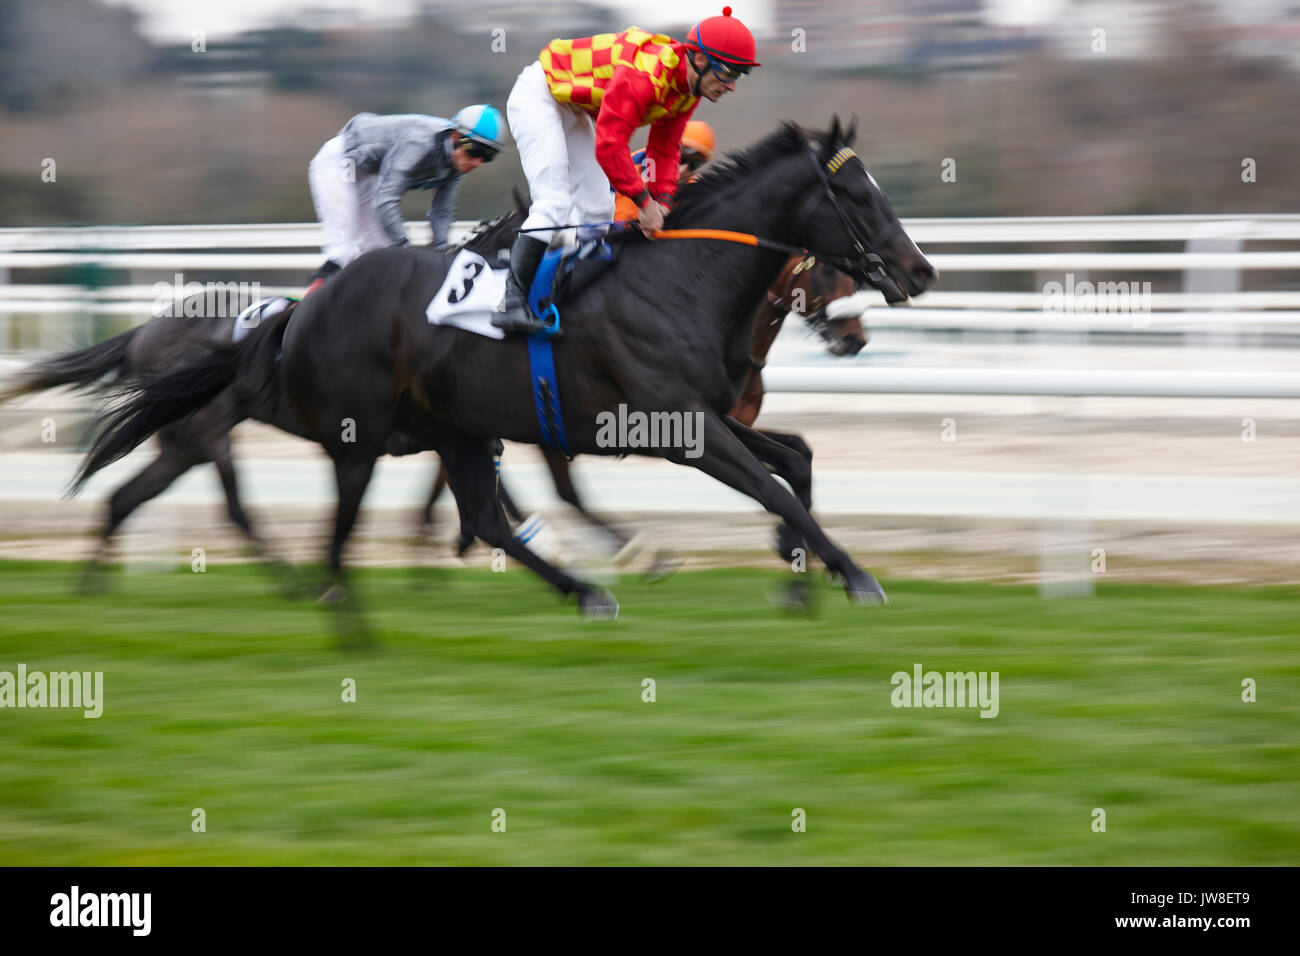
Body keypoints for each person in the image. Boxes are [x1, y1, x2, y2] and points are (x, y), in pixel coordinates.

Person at [495, 7, 759, 333]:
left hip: (573, 109)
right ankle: (510, 303)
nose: (732, 86)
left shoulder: (686, 91)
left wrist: (662, 200)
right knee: (555, 203)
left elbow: (665, 148)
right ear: (701, 61)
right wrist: (644, 204)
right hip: (540, 95)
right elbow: (610, 146)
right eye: (730, 73)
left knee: (598, 210)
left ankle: (563, 300)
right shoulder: (645, 77)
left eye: (739, 76)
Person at [304, 105, 506, 295]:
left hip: (368, 172)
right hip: (340, 161)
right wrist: (407, 253)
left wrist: (442, 256)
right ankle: (307, 304)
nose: (477, 162)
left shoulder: (457, 165)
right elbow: (386, 200)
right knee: (343, 250)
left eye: (488, 156)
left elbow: (441, 213)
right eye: (475, 151)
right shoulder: (419, 142)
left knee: (379, 252)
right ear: (455, 136)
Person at [613, 120, 716, 222]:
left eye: (694, 164)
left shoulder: (695, 189)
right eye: (681, 158)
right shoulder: (632, 167)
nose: (684, 169)